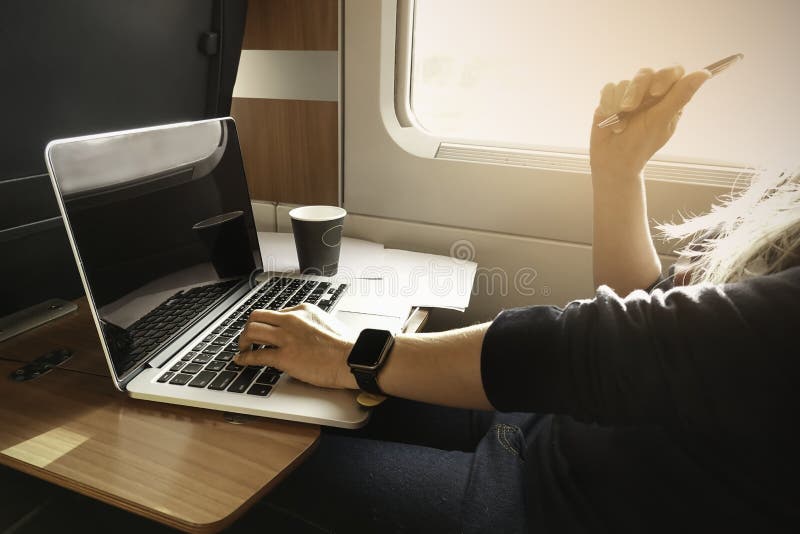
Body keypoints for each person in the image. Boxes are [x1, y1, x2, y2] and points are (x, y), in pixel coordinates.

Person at [233, 65, 799, 533]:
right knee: (272, 407)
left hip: (559, 509)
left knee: (243, 474)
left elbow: (587, 350)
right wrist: (618, 171)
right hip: (552, 431)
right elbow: (646, 331)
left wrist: (348, 355)